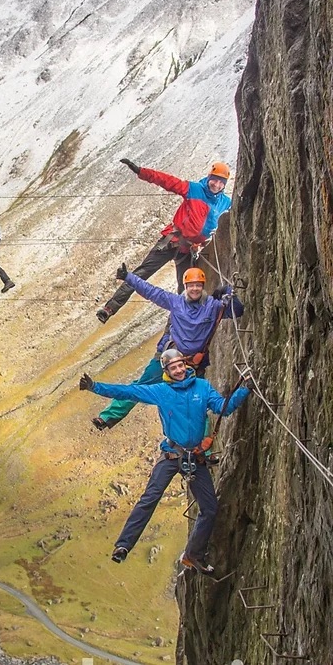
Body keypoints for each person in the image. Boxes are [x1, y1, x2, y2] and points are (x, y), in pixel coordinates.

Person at [79, 350, 252, 574]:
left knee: (209, 508)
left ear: (185, 365)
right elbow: (128, 392)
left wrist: (245, 389)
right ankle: (123, 545)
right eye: (174, 368)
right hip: (172, 454)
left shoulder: (202, 386)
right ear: (167, 371)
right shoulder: (161, 391)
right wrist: (95, 387)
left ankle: (193, 555)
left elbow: (223, 407)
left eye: (180, 366)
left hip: (194, 457)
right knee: (150, 498)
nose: (179, 370)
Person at [94, 266, 244, 430]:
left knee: (198, 403)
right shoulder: (176, 302)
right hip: (168, 357)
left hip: (192, 364)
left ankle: (201, 450)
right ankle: (108, 417)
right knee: (141, 386)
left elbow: (238, 311)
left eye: (198, 285)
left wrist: (227, 291)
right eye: (191, 285)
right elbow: (151, 291)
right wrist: (128, 277)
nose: (194, 289)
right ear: (185, 287)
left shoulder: (213, 306)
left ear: (203, 286)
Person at [96, 160, 232, 323]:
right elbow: (167, 181)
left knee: (188, 290)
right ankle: (109, 308)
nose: (216, 185)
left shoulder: (226, 203)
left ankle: (174, 331)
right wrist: (141, 171)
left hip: (189, 250)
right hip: (171, 241)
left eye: (220, 182)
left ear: (224, 185)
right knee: (142, 273)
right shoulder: (194, 189)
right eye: (214, 179)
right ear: (208, 177)